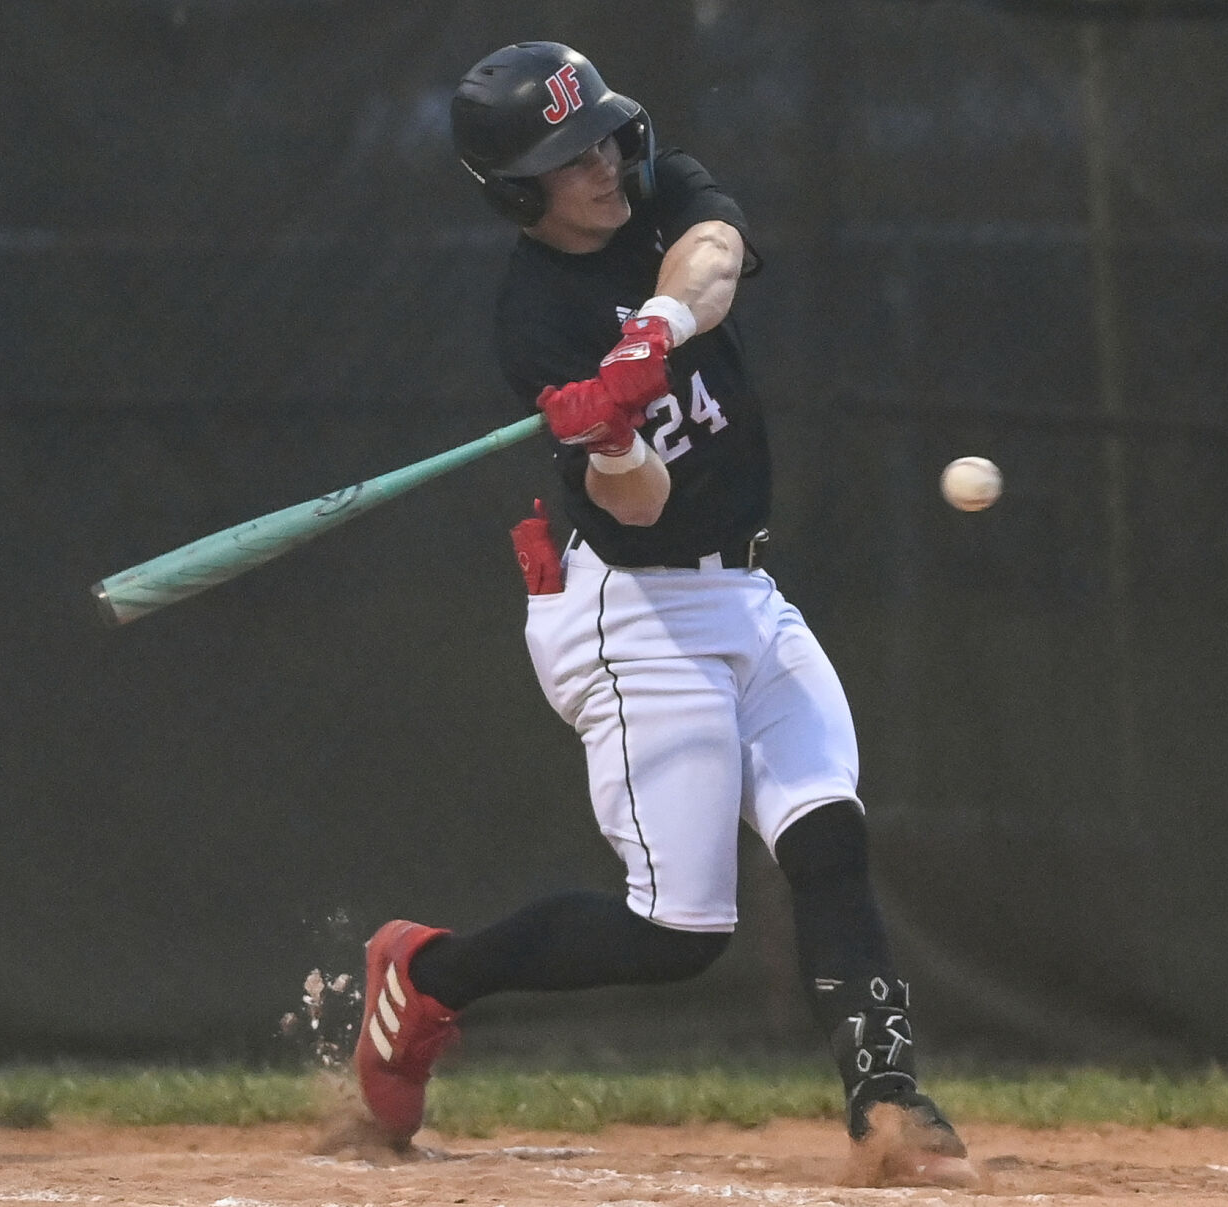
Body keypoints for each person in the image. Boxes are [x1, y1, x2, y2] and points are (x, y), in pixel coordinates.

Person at [353, 41, 977, 1188]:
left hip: (742, 587)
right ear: (512, 192)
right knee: (678, 933)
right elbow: (632, 506)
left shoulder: (662, 196)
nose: (598, 164)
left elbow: (715, 257)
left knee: (827, 832)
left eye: (598, 136)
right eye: (562, 157)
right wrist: (608, 436)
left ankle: (887, 1101)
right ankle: (428, 977)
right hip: (632, 609)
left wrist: (649, 337)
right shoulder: (530, 322)